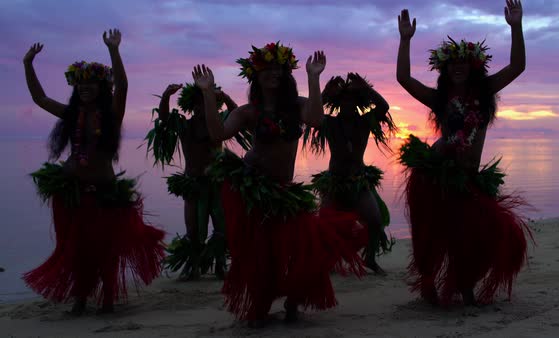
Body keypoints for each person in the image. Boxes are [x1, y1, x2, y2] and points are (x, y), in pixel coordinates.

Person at [194, 42, 367, 327]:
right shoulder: (249, 111)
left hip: (285, 192)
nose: (274, 73)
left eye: (279, 69)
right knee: (262, 257)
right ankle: (262, 303)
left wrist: (314, 77)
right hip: (255, 191)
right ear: (256, 76)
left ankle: (293, 299)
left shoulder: (297, 105)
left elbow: (315, 118)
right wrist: (207, 94)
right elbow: (217, 133)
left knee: (307, 249)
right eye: (267, 69)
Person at [396, 1, 532, 306]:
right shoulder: (439, 99)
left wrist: (516, 27)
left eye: (463, 63)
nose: (457, 67)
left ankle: (466, 284)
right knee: (434, 237)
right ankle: (431, 283)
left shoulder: (484, 94)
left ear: (473, 68)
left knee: (476, 237)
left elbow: (517, 66)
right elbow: (404, 79)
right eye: (452, 64)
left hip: (470, 178)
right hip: (440, 179)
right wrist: (405, 41)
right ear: (445, 69)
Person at [22, 29, 165, 315]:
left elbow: (122, 86)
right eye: (81, 84)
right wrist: (28, 64)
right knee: (75, 250)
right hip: (71, 196)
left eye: (91, 83)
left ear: (101, 87)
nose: (85, 87)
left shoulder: (112, 115)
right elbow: (40, 99)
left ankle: (108, 298)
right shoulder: (72, 114)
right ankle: (79, 298)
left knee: (105, 251)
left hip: (105, 197)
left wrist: (114, 49)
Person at [146, 82, 242, 281]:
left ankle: (220, 265)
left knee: (221, 227)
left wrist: (223, 96)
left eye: (206, 104)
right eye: (197, 105)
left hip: (217, 183)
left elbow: (237, 114)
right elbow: (164, 118)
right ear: (191, 107)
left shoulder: (220, 124)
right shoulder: (185, 126)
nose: (202, 109)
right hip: (193, 183)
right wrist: (166, 95)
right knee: (193, 230)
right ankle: (194, 266)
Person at [304, 72, 396, 275]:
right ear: (337, 103)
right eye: (343, 100)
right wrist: (327, 93)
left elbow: (384, 108)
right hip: (334, 182)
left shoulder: (364, 122)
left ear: (357, 103)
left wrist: (365, 88)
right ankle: (326, 260)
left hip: (359, 181)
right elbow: (312, 113)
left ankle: (369, 259)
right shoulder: (329, 122)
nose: (347, 104)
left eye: (351, 100)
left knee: (375, 220)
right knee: (325, 224)